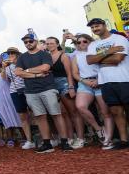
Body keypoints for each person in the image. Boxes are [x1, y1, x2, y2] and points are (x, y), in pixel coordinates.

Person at [14, 32, 72, 153]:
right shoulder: (22, 57)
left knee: (56, 114)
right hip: (30, 91)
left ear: (36, 41)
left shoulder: (45, 54)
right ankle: (47, 143)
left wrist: (27, 71)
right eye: (25, 42)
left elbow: (45, 68)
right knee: (40, 117)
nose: (28, 43)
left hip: (48, 88)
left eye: (30, 41)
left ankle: (64, 142)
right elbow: (18, 73)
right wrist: (36, 75)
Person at [86, 18, 129, 149]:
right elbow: (89, 60)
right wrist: (108, 51)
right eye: (92, 27)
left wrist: (98, 59)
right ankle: (124, 140)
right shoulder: (93, 44)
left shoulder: (119, 39)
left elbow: (117, 59)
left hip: (123, 79)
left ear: (104, 25)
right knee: (116, 111)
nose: (95, 29)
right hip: (105, 81)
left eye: (97, 26)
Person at [70, 33, 110, 147]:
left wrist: (98, 79)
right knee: (80, 106)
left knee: (105, 111)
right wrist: (85, 81)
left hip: (100, 81)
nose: (81, 44)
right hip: (84, 83)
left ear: (90, 41)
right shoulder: (76, 56)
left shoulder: (98, 51)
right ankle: (99, 129)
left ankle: (110, 137)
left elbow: (105, 66)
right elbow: (75, 73)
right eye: (78, 42)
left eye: (84, 41)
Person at [46, 36, 81, 147]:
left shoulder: (63, 56)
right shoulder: (46, 57)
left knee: (74, 112)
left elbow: (69, 73)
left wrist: (71, 87)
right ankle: (70, 137)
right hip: (53, 86)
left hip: (65, 84)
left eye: (51, 43)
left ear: (57, 44)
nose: (49, 45)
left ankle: (81, 138)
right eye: (47, 44)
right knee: (64, 114)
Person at [2, 47, 34, 148]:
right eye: (9, 53)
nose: (10, 55)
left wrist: (16, 63)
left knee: (37, 114)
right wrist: (3, 67)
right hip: (14, 91)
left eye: (12, 53)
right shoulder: (7, 67)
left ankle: (46, 138)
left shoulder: (24, 62)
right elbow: (4, 78)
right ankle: (29, 141)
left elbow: (28, 73)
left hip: (28, 89)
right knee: (22, 116)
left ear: (17, 54)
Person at [0, 55, 22, 144]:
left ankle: (22, 136)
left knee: (15, 113)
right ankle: (10, 138)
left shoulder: (6, 72)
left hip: (9, 95)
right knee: (4, 115)